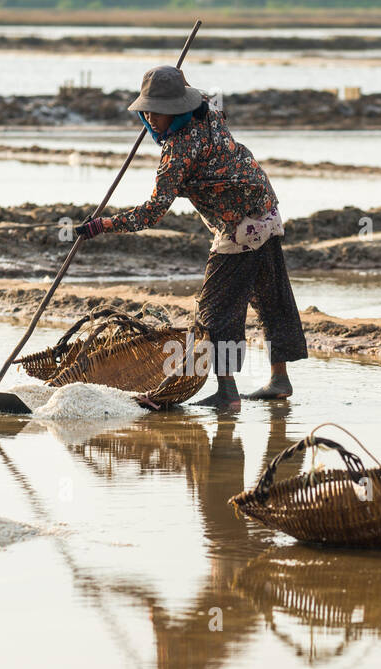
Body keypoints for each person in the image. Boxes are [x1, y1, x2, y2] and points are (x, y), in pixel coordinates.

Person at [73, 65, 308, 410]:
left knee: (214, 314)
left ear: (178, 111)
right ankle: (279, 379)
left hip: (240, 228)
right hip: (267, 210)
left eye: (159, 112)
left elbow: (152, 213)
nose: (152, 118)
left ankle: (227, 394)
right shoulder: (209, 112)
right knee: (271, 300)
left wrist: (103, 226)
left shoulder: (178, 152)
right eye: (148, 111)